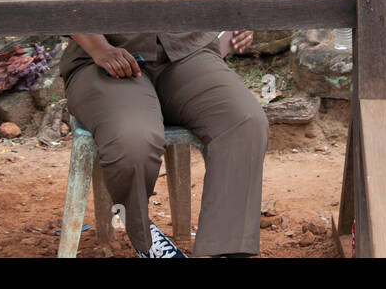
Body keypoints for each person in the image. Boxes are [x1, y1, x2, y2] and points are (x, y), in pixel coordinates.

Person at [60, 28, 268, 257]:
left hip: (188, 51)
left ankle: (229, 248)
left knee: (244, 120)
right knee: (132, 139)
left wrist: (240, 19)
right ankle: (146, 242)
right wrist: (98, 47)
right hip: (102, 58)